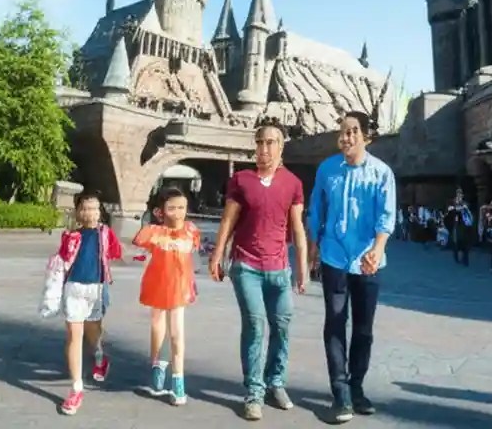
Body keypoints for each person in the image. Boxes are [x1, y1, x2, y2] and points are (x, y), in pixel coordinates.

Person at [209, 118, 309, 421]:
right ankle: (254, 392)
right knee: (255, 324)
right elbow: (228, 220)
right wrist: (217, 255)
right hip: (246, 266)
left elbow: (297, 228)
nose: (263, 148)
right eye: (259, 142)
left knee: (282, 325)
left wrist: (302, 267)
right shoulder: (241, 180)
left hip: (279, 269)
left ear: (281, 146)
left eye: (270, 142)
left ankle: (275, 382)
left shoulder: (293, 183)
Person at [307, 111, 397, 423]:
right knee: (335, 321)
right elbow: (316, 209)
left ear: (366, 137)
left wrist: (378, 248)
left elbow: (387, 216)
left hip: (368, 261)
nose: (345, 138)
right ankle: (340, 393)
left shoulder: (382, 172)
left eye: (352, 132)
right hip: (334, 257)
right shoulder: (327, 169)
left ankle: (356, 387)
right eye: (342, 132)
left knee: (363, 328)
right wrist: (313, 249)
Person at [55, 190, 125, 416]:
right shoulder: (70, 235)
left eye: (94, 208)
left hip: (96, 289)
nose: (90, 213)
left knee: (93, 331)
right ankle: (76, 388)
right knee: (73, 335)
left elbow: (116, 252)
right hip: (73, 288)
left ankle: (99, 356)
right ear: (78, 212)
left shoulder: (105, 233)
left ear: (99, 212)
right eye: (85, 208)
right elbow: (63, 259)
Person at [133, 187, 202, 406]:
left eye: (182, 207)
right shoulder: (153, 232)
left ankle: (178, 380)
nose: (178, 213)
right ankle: (158, 368)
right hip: (157, 283)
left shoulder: (191, 230)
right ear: (160, 211)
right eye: (172, 208)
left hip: (179, 286)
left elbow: (193, 253)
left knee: (176, 333)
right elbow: (137, 246)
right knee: (157, 328)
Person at [446, 189, 473, 266]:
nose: (459, 196)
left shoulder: (465, 203)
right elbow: (449, 210)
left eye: (460, 194)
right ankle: (457, 258)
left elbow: (466, 209)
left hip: (464, 225)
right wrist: (455, 208)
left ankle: (465, 259)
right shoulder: (453, 203)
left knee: (465, 242)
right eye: (458, 194)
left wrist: (461, 208)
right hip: (456, 225)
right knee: (456, 242)